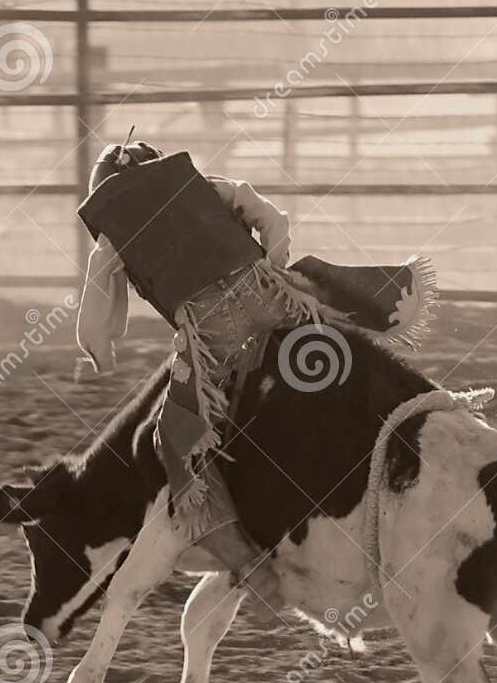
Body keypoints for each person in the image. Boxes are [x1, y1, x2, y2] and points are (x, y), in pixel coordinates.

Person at [75, 139, 437, 612]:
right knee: (337, 336)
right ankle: (417, 402)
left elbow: (95, 312)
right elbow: (271, 217)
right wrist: (273, 265)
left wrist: (101, 352)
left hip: (213, 339)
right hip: (273, 299)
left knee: (177, 444)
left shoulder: (112, 234)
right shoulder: (200, 185)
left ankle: (251, 565)